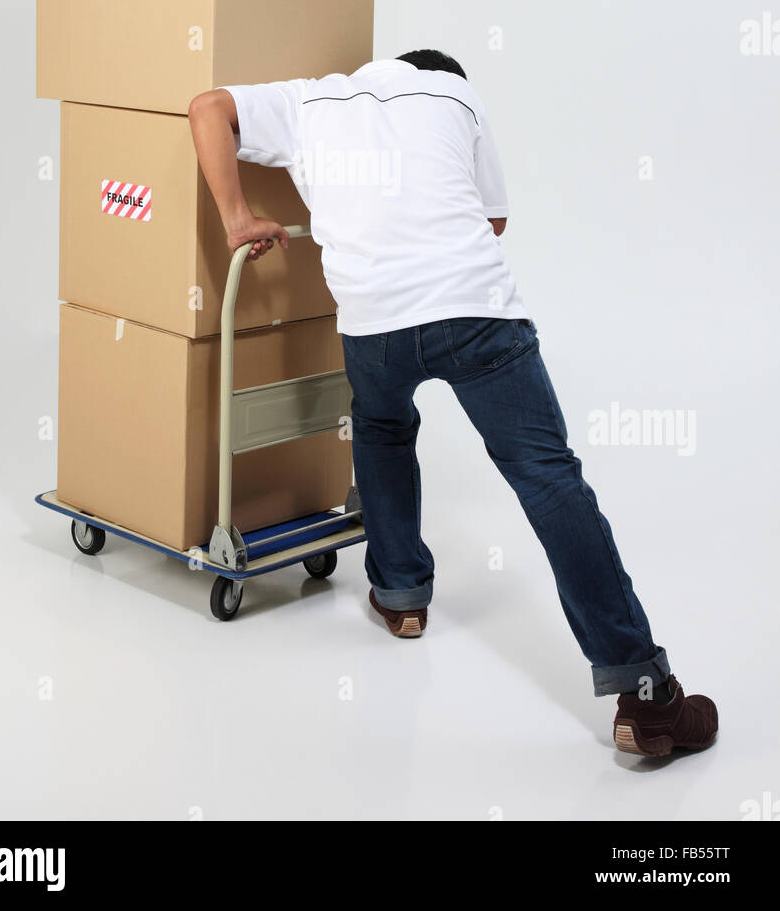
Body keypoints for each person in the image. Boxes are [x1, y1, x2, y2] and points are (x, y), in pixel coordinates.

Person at [188, 50, 718, 758]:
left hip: (373, 323)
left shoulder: (310, 100)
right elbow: (493, 221)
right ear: (442, 74)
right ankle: (646, 699)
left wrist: (236, 219)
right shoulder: (457, 97)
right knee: (547, 475)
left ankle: (402, 595)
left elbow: (207, 109)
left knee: (380, 428)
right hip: (476, 316)